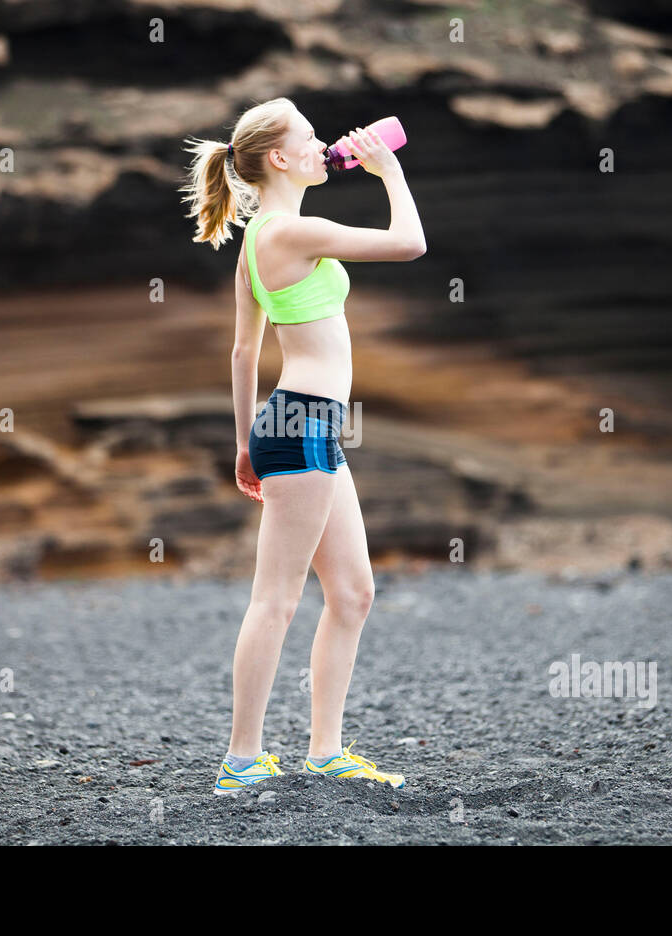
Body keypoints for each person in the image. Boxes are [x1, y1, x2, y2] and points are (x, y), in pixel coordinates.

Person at [180, 98, 426, 794]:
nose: (326, 147)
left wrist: (243, 446)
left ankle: (325, 750)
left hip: (292, 426)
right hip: (301, 423)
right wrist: (387, 170)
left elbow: (240, 353)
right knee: (276, 600)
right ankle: (241, 759)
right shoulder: (293, 231)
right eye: (311, 139)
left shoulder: (263, 237)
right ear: (280, 159)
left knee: (352, 593)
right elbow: (411, 244)